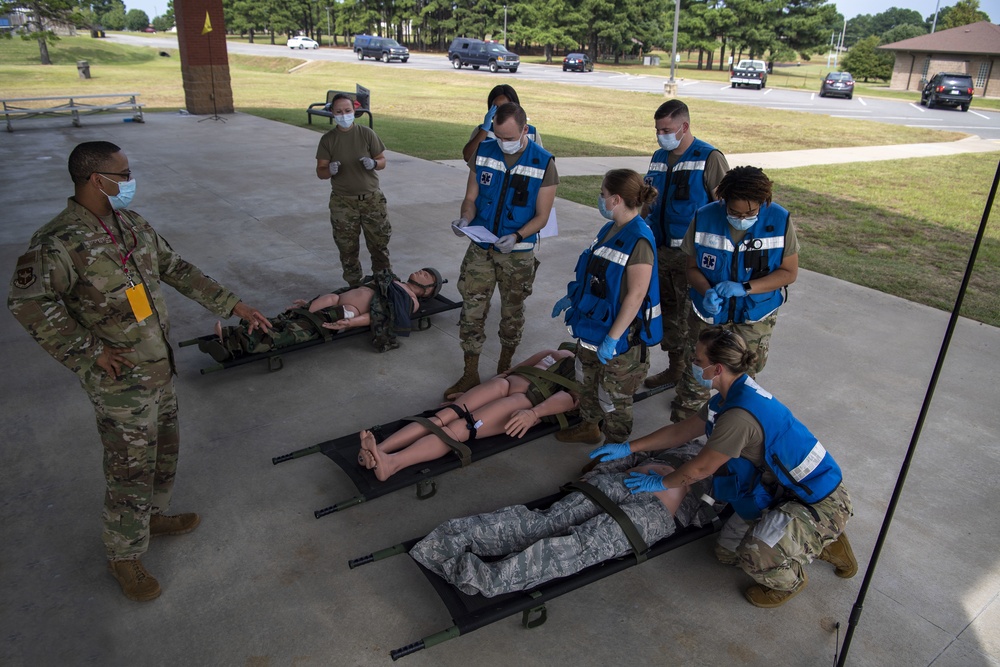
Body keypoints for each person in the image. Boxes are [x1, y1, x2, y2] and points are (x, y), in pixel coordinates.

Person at [7, 141, 272, 602]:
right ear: (96, 180)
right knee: (128, 467)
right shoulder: (58, 243)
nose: (130, 181)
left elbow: (176, 268)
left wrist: (234, 304)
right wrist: (87, 353)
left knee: (164, 450)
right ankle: (123, 557)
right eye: (123, 173)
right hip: (118, 383)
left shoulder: (129, 224)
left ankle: (153, 516)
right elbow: (28, 305)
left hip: (157, 366)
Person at [591, 327, 856, 608]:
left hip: (819, 502)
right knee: (726, 554)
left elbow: (699, 469)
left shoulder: (738, 416)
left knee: (755, 558)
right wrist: (630, 447)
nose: (693, 364)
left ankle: (804, 566)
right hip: (783, 489)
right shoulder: (732, 395)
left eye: (697, 360)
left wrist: (661, 483)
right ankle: (815, 537)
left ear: (717, 368)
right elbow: (682, 431)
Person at [409, 440, 713, 597]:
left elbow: (713, 511)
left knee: (575, 548)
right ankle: (449, 541)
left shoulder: (738, 468)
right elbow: (635, 453)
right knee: (545, 522)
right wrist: (596, 476)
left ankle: (483, 577)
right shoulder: (690, 439)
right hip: (621, 484)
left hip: (651, 513)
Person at [446, 102, 558, 398]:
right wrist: (465, 218)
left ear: (525, 130)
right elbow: (471, 196)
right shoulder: (484, 151)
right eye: (499, 136)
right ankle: (470, 373)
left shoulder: (543, 162)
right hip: (480, 246)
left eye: (509, 137)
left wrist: (518, 235)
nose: (503, 143)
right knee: (471, 311)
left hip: (517, 254)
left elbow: (542, 216)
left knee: (512, 314)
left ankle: (505, 369)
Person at [670, 165, 798, 422]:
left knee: (742, 383)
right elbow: (691, 268)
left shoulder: (779, 220)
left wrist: (745, 288)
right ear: (723, 200)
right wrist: (706, 292)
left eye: (751, 212)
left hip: (753, 317)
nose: (741, 217)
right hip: (708, 316)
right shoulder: (704, 217)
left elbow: (788, 272)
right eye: (733, 211)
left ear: (763, 202)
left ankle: (729, 435)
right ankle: (681, 437)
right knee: (696, 379)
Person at [552, 169, 662, 446]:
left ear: (615, 199)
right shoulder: (611, 228)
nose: (599, 199)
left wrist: (613, 338)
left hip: (617, 338)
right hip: (591, 327)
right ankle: (589, 427)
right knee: (586, 383)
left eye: (602, 194)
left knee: (613, 399)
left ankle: (614, 450)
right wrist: (573, 298)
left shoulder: (638, 239)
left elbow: (635, 296)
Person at [359, 348, 579, 481]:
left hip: (524, 402)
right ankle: (379, 450)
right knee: (445, 415)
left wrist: (534, 413)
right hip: (504, 384)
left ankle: (393, 463)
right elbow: (515, 370)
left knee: (459, 429)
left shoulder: (590, 372)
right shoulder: (556, 352)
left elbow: (570, 400)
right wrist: (474, 393)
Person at [642, 99, 730, 392]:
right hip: (660, 252)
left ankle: (694, 383)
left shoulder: (709, 157)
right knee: (667, 314)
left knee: (693, 321)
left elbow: (725, 209)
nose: (661, 135)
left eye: (666, 129)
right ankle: (675, 368)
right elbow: (647, 203)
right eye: (657, 129)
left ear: (685, 126)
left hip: (690, 258)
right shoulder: (658, 157)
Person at [197, 268, 443, 361]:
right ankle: (230, 334)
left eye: (427, 276)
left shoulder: (410, 301)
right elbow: (351, 289)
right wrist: (312, 302)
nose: (421, 272)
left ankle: (233, 347)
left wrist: (351, 322)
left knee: (297, 332)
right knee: (291, 319)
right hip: (335, 301)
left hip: (346, 312)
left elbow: (384, 316)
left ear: (428, 291)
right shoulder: (394, 281)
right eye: (422, 270)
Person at [315, 93, 392, 287]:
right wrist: (329, 170)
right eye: (339, 111)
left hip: (371, 199)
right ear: (332, 113)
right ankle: (354, 285)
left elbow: (382, 161)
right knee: (347, 248)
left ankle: (383, 282)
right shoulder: (328, 140)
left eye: (347, 111)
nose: (344, 115)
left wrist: (374, 162)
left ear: (354, 111)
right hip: (343, 202)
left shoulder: (366, 134)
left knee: (379, 244)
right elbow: (320, 171)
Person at [461, 84, 543, 163]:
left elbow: (541, 161)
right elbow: (468, 157)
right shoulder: (481, 131)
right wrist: (484, 129)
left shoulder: (532, 133)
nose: (500, 113)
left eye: (505, 107)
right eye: (496, 108)